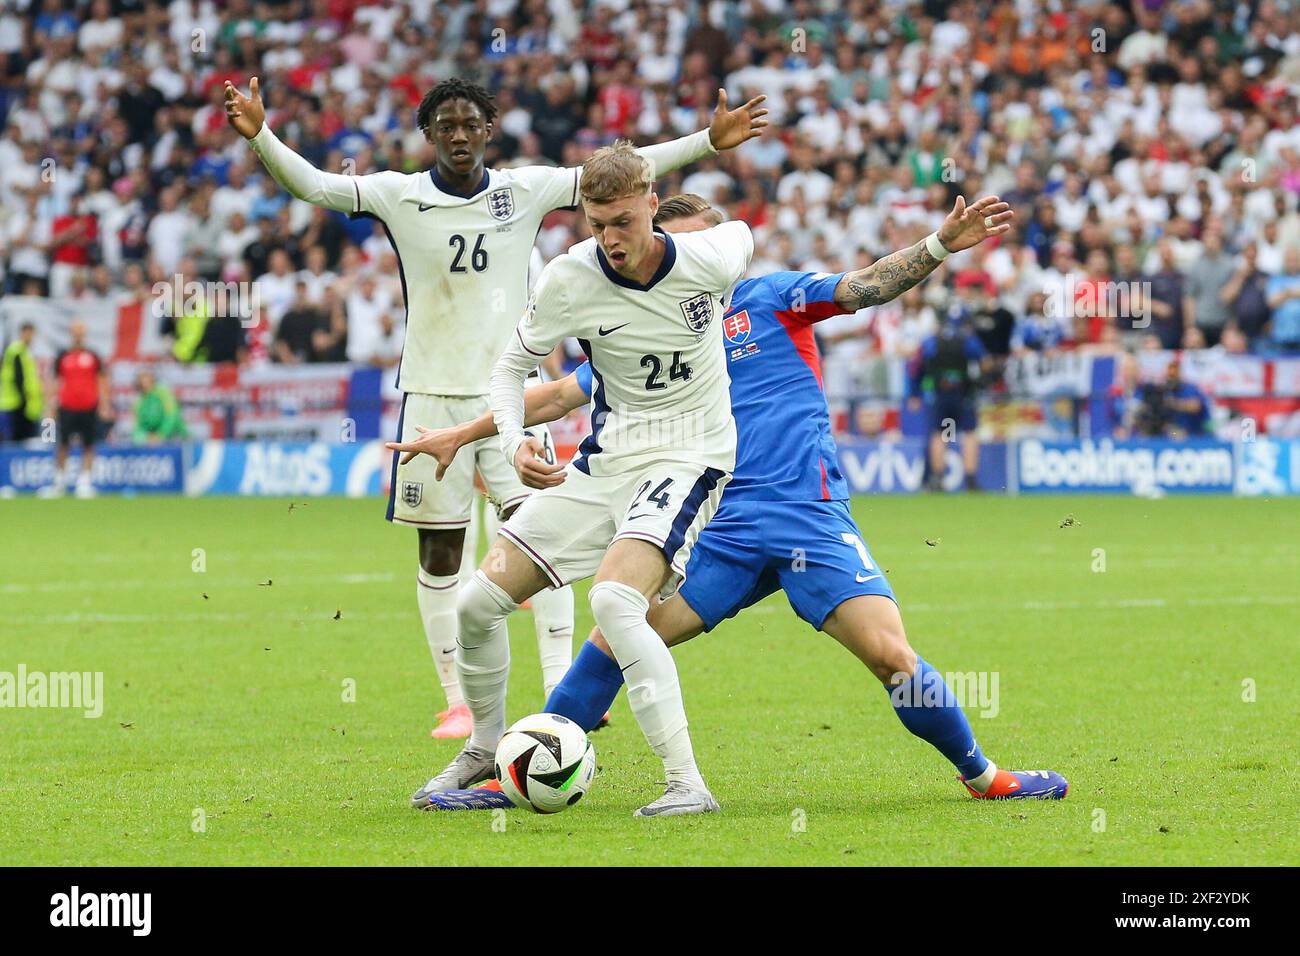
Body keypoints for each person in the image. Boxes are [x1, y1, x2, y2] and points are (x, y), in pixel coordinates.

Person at [393, 193, 1067, 812]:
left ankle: (985, 776)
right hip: (722, 524)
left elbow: (864, 287)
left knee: (893, 658)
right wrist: (465, 431)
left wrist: (939, 245)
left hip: (808, 515)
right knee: (619, 633)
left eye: (700, 251)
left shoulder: (772, 297)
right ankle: (519, 775)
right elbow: (559, 394)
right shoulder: (652, 324)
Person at [224, 74, 767, 737]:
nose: (458, 135)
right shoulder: (399, 195)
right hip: (432, 389)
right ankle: (457, 698)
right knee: (441, 552)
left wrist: (708, 142)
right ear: (429, 134)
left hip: (516, 394)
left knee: (537, 537)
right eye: (444, 124)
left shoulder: (525, 188)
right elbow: (316, 185)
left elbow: (622, 179)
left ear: (489, 130)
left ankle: (560, 695)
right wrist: (262, 138)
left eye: (470, 123)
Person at [411, 147, 757, 817]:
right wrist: (512, 446)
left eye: (623, 221)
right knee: (475, 606)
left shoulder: (709, 258)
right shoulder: (571, 278)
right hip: (603, 466)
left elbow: (741, 238)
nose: (610, 239)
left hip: (689, 458)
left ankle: (687, 783)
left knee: (614, 602)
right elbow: (511, 370)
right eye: (597, 224)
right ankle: (485, 748)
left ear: (653, 205)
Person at [911, 312, 988, 492]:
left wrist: (915, 393)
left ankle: (938, 479)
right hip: (963, 393)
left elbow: (917, 367)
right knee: (969, 433)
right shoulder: (968, 340)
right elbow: (984, 362)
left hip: (939, 394)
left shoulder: (931, 340)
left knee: (941, 434)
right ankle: (970, 480)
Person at [44, 320, 109, 498]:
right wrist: (50, 405)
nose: (78, 334)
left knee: (89, 445)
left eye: (81, 331)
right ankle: (59, 483)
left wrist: (104, 404)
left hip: (89, 406)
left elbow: (102, 380)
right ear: (71, 333)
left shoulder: (93, 356)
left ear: (84, 333)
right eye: (75, 331)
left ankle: (85, 482)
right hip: (67, 406)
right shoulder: (63, 356)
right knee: (63, 444)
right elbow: (54, 381)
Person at [0, 322, 42, 443]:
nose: (29, 337)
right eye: (27, 333)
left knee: (24, 440)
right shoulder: (16, 351)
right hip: (16, 403)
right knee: (15, 441)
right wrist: (24, 399)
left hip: (23, 404)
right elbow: (18, 377)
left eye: (31, 334)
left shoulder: (25, 352)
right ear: (22, 333)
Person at [131, 368, 187, 444]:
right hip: (151, 441)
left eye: (147, 378)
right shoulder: (138, 402)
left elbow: (172, 416)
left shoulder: (163, 393)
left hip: (174, 437)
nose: (144, 382)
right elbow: (138, 427)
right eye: (141, 380)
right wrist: (146, 438)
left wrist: (161, 435)